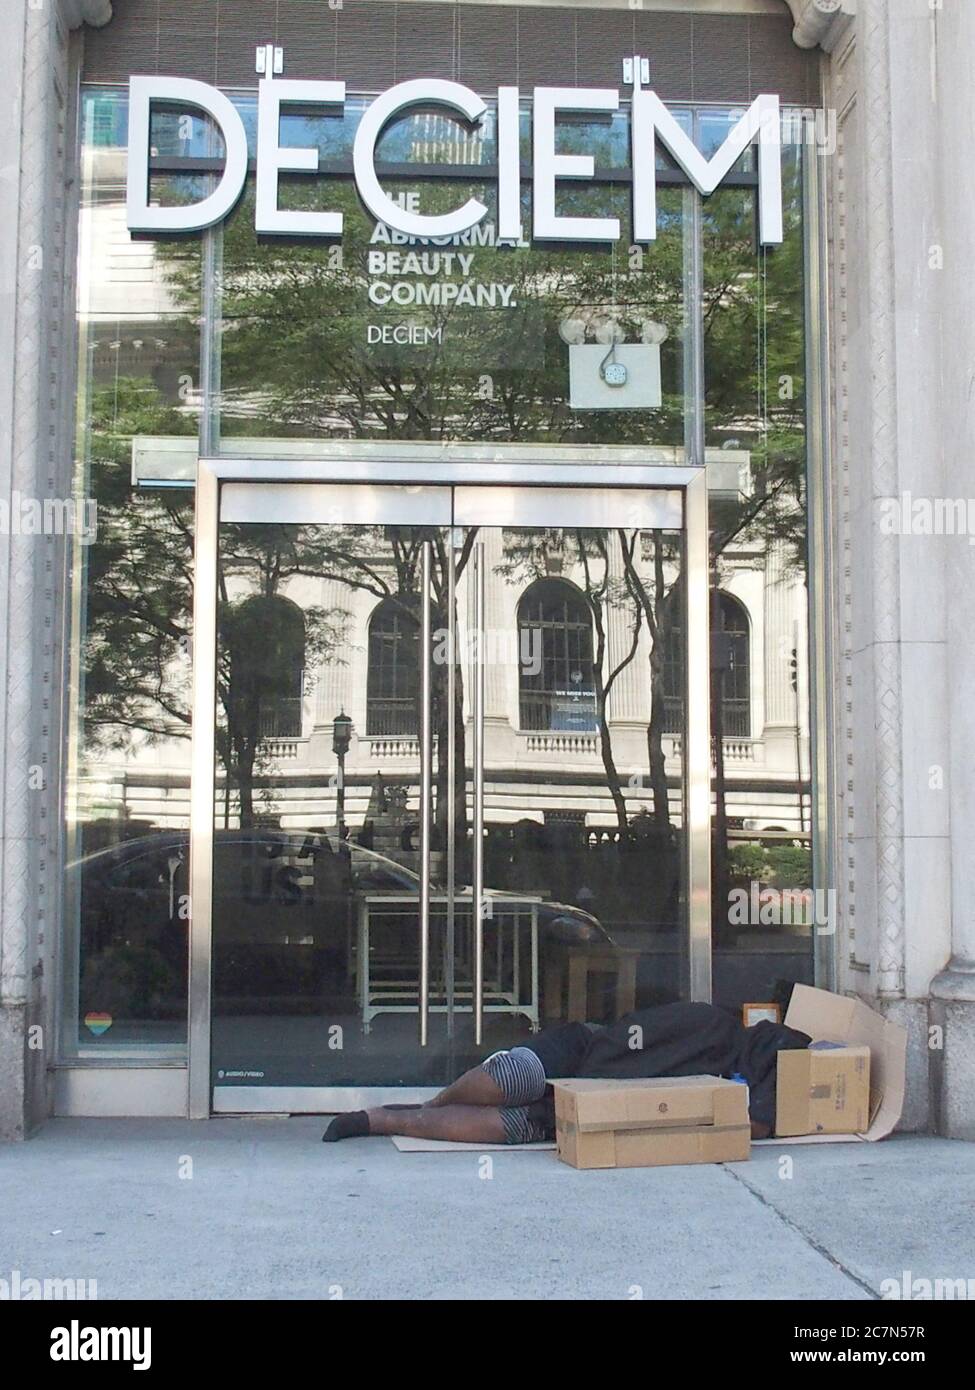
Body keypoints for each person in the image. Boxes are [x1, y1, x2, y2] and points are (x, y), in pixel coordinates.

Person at [322, 1001, 811, 1145]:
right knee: (511, 1078)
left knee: (509, 1128)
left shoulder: (736, 1080)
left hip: (595, 1109)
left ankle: (383, 1119)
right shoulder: (719, 1029)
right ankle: (428, 1106)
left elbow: (754, 1124)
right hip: (580, 1055)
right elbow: (758, 1125)